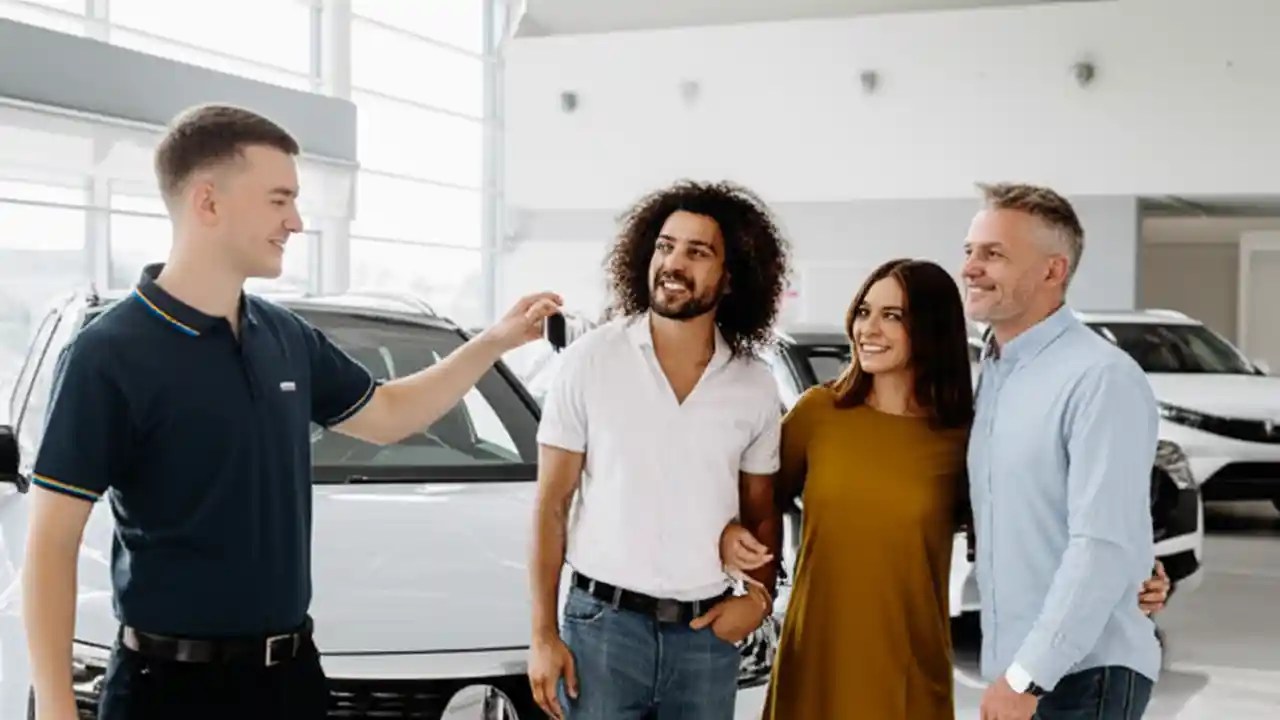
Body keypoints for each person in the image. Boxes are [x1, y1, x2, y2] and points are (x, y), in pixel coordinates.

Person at [22, 104, 561, 720]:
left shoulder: (284, 336)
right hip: (169, 690)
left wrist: (492, 341)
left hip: (291, 681)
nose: (297, 222)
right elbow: (50, 548)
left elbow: (387, 413)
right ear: (208, 203)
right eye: (280, 200)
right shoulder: (108, 354)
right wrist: (57, 711)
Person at [719, 259, 1172, 718]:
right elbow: (754, 506)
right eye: (863, 311)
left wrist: (1135, 569)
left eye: (892, 316)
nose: (868, 328)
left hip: (910, 664)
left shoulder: (962, 438)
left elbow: (1033, 522)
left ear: (930, 328)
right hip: (816, 653)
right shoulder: (818, 414)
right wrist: (742, 566)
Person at [526, 180, 790, 720]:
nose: (673, 263)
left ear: (731, 276)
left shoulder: (753, 385)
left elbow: (762, 510)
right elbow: (551, 506)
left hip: (704, 640)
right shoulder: (589, 361)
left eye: (698, 252)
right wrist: (542, 635)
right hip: (601, 632)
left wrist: (757, 602)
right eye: (666, 246)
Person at [964, 182, 1163, 720]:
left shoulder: (1100, 378)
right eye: (970, 251)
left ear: (1053, 271)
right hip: (1022, 672)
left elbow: (1101, 545)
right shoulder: (997, 374)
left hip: (1080, 678)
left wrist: (1028, 678)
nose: (971, 268)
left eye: (994, 254)